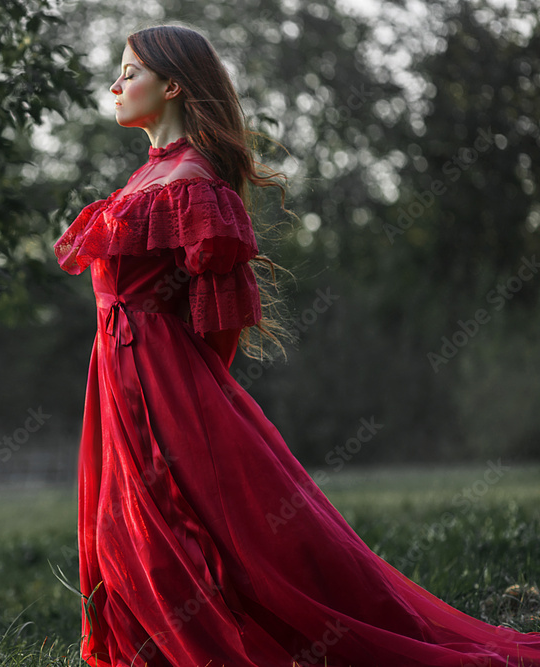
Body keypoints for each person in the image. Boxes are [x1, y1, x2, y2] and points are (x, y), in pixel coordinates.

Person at [52, 23, 540, 667]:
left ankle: (209, 639)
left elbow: (217, 323)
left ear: (172, 85)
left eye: (129, 71)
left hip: (161, 378)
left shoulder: (194, 183)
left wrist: (189, 402)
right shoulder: (152, 176)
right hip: (118, 374)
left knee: (191, 523)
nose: (115, 85)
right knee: (127, 517)